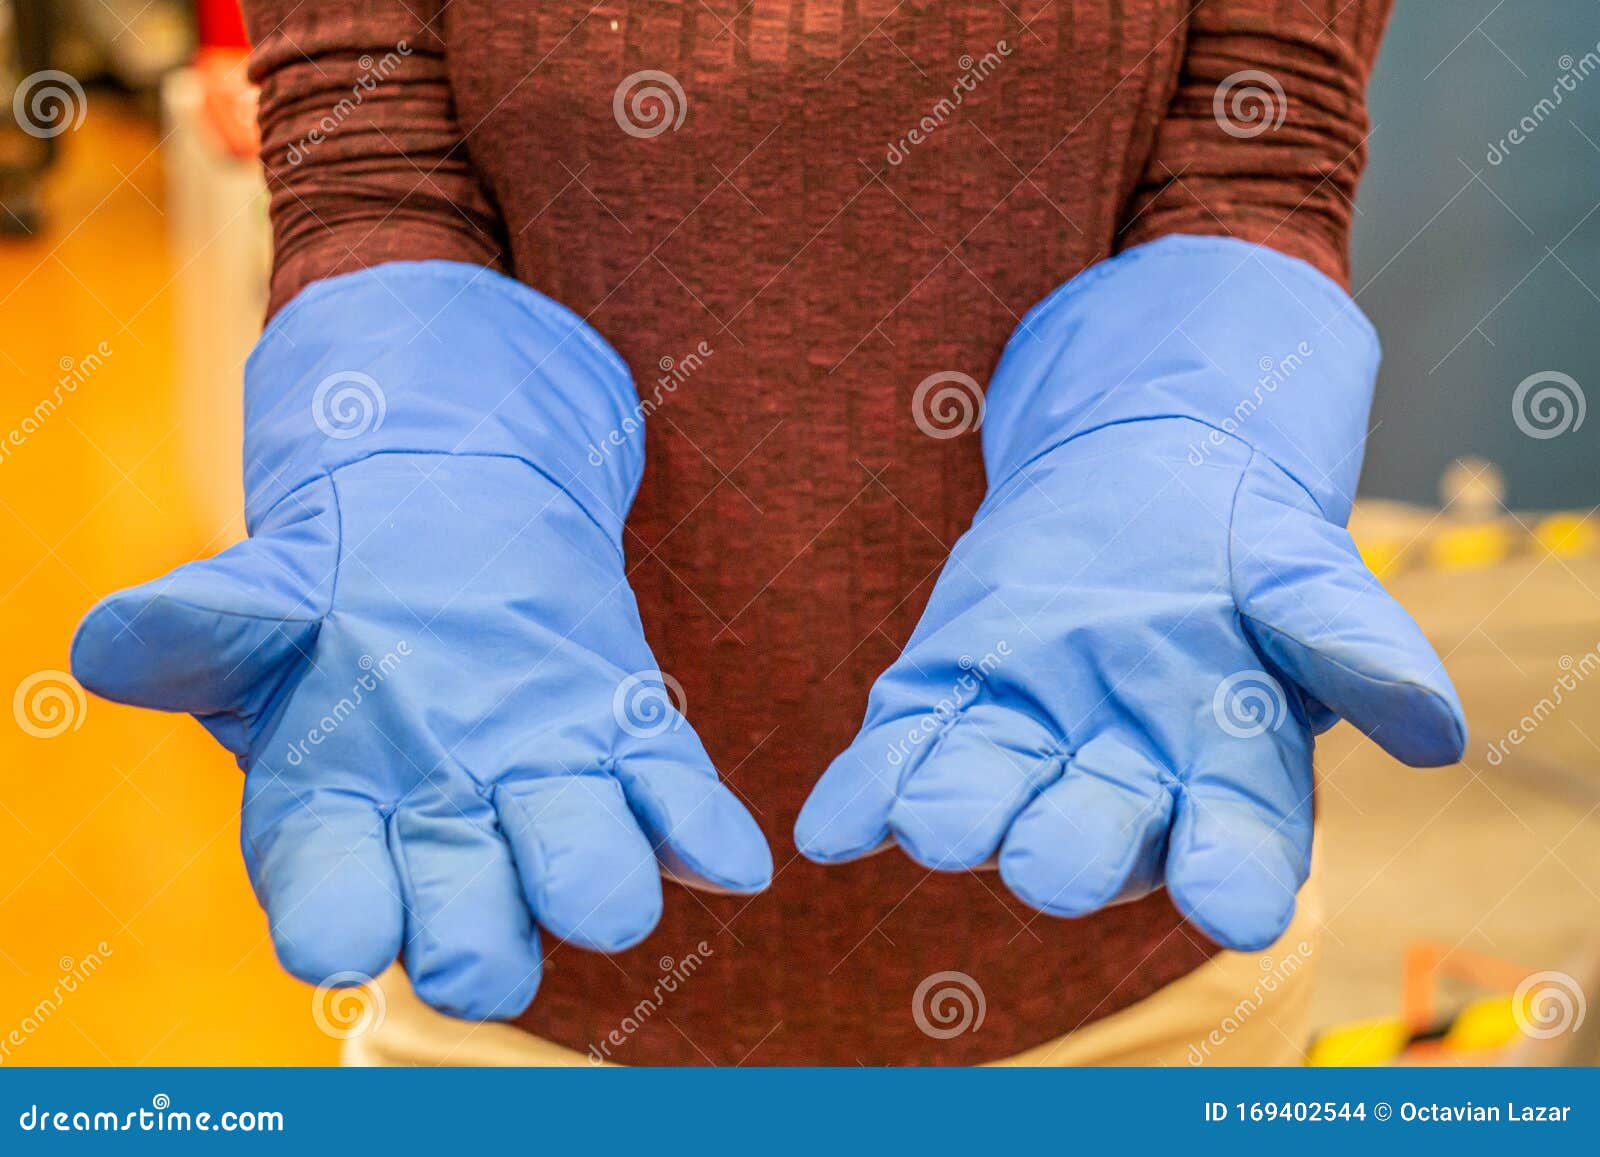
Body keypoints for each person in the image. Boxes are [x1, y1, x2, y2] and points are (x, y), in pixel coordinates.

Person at [70, 0, 1464, 1066]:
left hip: (1128, 949)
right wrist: (419, 453)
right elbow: (373, 171)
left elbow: (1258, 151)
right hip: (516, 915)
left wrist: (1189, 423)